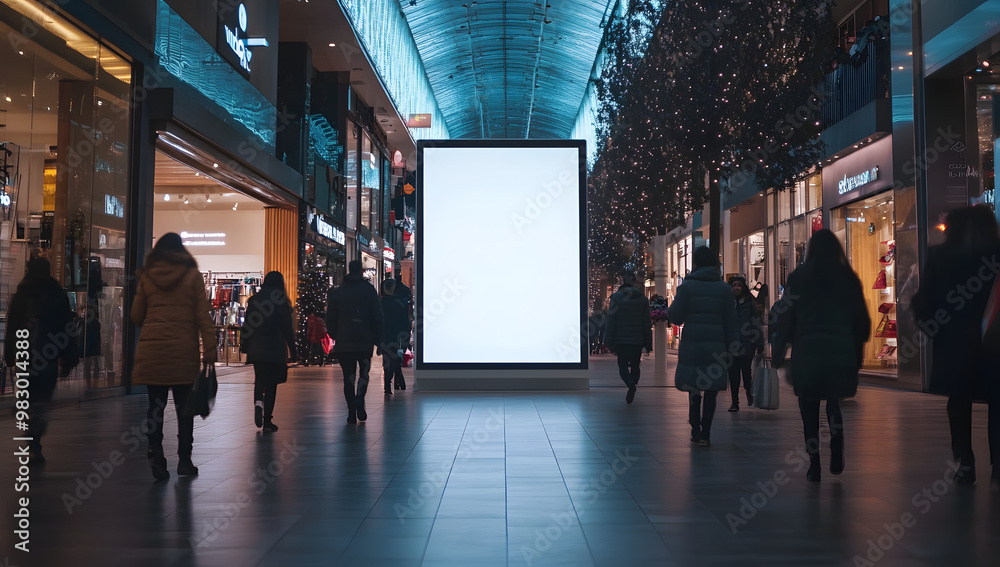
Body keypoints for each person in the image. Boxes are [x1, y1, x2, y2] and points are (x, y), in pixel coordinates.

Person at [912, 206, 1000, 486]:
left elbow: (923, 302)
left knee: (959, 401)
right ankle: (998, 465)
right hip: (994, 343)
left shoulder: (940, 257)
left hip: (955, 343)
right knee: (997, 402)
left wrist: (935, 329)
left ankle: (965, 462)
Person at [773, 230, 870, 482]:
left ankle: (813, 463)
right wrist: (857, 351)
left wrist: (780, 347)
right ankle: (836, 451)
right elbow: (861, 319)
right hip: (839, 351)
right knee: (834, 403)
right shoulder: (847, 277)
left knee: (809, 408)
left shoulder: (798, 277)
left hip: (808, 352)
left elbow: (786, 316)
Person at [131, 233, 217, 480]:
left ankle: (155, 453)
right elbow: (203, 315)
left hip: (153, 352)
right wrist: (210, 349)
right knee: (184, 409)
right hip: (182, 354)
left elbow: (137, 315)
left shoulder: (148, 276)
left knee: (155, 407)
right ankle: (184, 460)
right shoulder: (192, 276)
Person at [4, 258, 76, 465]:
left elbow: (12, 327)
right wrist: (69, 357)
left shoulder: (21, 295)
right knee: (43, 400)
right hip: (49, 356)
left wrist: (9, 354)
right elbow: (67, 329)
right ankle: (35, 436)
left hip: (26, 356)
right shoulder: (57, 295)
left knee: (29, 396)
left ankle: (30, 428)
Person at [668, 246, 738, 447]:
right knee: (711, 390)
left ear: (695, 263)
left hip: (693, 345)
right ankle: (706, 432)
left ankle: (695, 429)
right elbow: (731, 321)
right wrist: (734, 345)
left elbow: (676, 316)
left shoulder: (687, 287)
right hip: (716, 347)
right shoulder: (725, 289)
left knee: (694, 390)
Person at [327, 259, 383, 424]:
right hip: (365, 341)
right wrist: (378, 340)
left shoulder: (338, 292)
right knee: (364, 374)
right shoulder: (369, 291)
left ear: (348, 270)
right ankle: (359, 400)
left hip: (344, 342)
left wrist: (335, 334)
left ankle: (352, 410)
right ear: (361, 271)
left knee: (348, 377)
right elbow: (377, 317)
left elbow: (330, 318)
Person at [242, 271, 297, 432]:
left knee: (259, 379)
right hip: (275, 348)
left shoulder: (254, 300)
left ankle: (258, 401)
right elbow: (288, 329)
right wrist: (293, 350)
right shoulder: (281, 301)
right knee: (272, 384)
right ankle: (267, 420)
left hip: (256, 347)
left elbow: (247, 325)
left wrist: (244, 345)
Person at [605, 270, 653, 404]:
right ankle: (633, 382)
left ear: (622, 281)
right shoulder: (643, 299)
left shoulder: (616, 298)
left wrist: (608, 341)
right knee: (635, 364)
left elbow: (611, 321)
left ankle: (630, 384)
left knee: (622, 365)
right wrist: (648, 343)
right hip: (637, 340)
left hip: (621, 340)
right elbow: (646, 323)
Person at [727, 276, 764, 411]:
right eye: (734, 285)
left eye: (739, 285)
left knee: (746, 371)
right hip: (731, 343)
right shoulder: (727, 303)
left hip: (746, 342)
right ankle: (734, 402)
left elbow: (756, 322)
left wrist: (760, 342)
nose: (736, 288)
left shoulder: (749, 303)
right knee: (733, 373)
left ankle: (748, 390)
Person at [379, 279, 409, 394]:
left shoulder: (380, 304)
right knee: (395, 357)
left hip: (384, 336)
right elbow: (403, 322)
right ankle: (397, 378)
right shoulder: (398, 304)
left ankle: (388, 382)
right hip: (396, 336)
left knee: (387, 359)